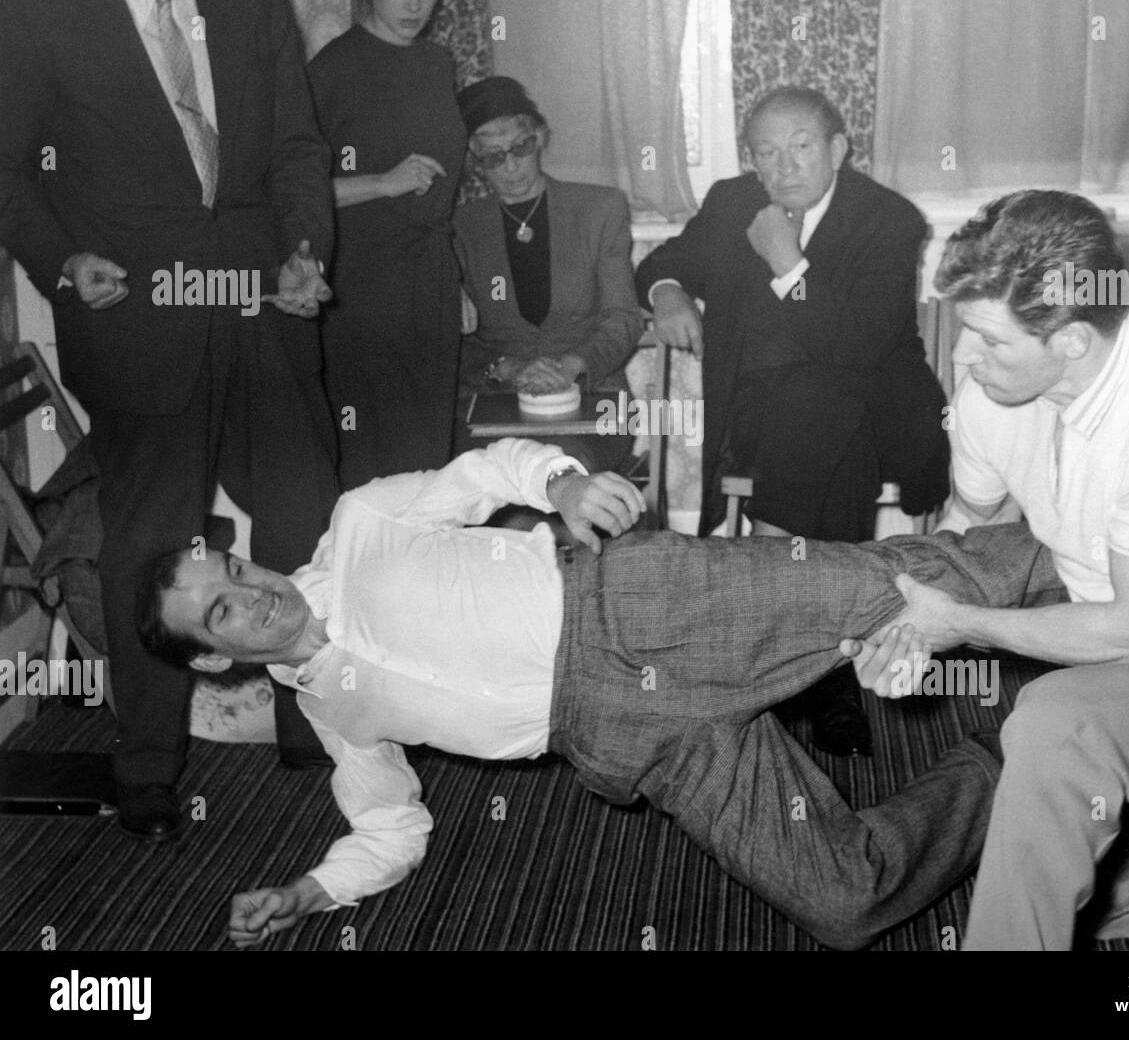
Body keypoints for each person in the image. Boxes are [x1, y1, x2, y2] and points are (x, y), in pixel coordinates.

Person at [137, 437, 1071, 950]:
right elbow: (391, 829)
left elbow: (487, 469)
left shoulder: (361, 521)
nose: (254, 589)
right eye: (223, 610)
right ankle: (1010, 770)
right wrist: (309, 890)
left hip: (635, 606)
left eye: (233, 562)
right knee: (840, 898)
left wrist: (563, 479)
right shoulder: (330, 716)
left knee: (902, 583)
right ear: (214, 661)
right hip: (622, 740)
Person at [845, 189, 1129, 948]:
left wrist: (958, 625)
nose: (962, 357)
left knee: (1055, 728)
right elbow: (966, 533)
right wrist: (910, 633)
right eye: (965, 332)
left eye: (989, 340)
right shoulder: (992, 392)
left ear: (1073, 342)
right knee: (1098, 886)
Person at [0, 0, 340, 841]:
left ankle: (311, 722)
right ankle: (145, 765)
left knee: (305, 510)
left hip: (263, 304)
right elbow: (6, 171)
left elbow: (299, 149)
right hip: (138, 319)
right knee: (148, 545)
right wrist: (60, 260)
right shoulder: (37, 12)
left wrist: (307, 246)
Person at [633, 84, 950, 754]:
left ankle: (776, 637)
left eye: (802, 147)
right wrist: (667, 295)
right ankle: (825, 666)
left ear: (838, 148)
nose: (784, 167)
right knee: (808, 408)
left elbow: (859, 344)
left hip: (871, 406)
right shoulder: (730, 202)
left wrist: (788, 260)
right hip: (758, 418)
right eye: (766, 153)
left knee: (824, 398)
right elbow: (665, 262)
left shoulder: (888, 220)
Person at [307, 0, 467, 491]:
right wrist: (380, 182)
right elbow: (285, 193)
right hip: (361, 293)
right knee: (375, 468)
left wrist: (456, 279)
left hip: (428, 285)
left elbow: (441, 195)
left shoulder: (436, 62)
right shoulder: (334, 70)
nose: (414, 5)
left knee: (430, 462)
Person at [454, 76, 642, 473]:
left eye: (520, 147)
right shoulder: (458, 229)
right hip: (495, 403)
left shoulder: (599, 209)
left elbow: (622, 318)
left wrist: (572, 365)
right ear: (473, 161)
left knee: (560, 468)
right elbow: (453, 341)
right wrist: (509, 368)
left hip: (592, 398)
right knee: (478, 479)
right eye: (492, 157)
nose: (510, 166)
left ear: (539, 137)